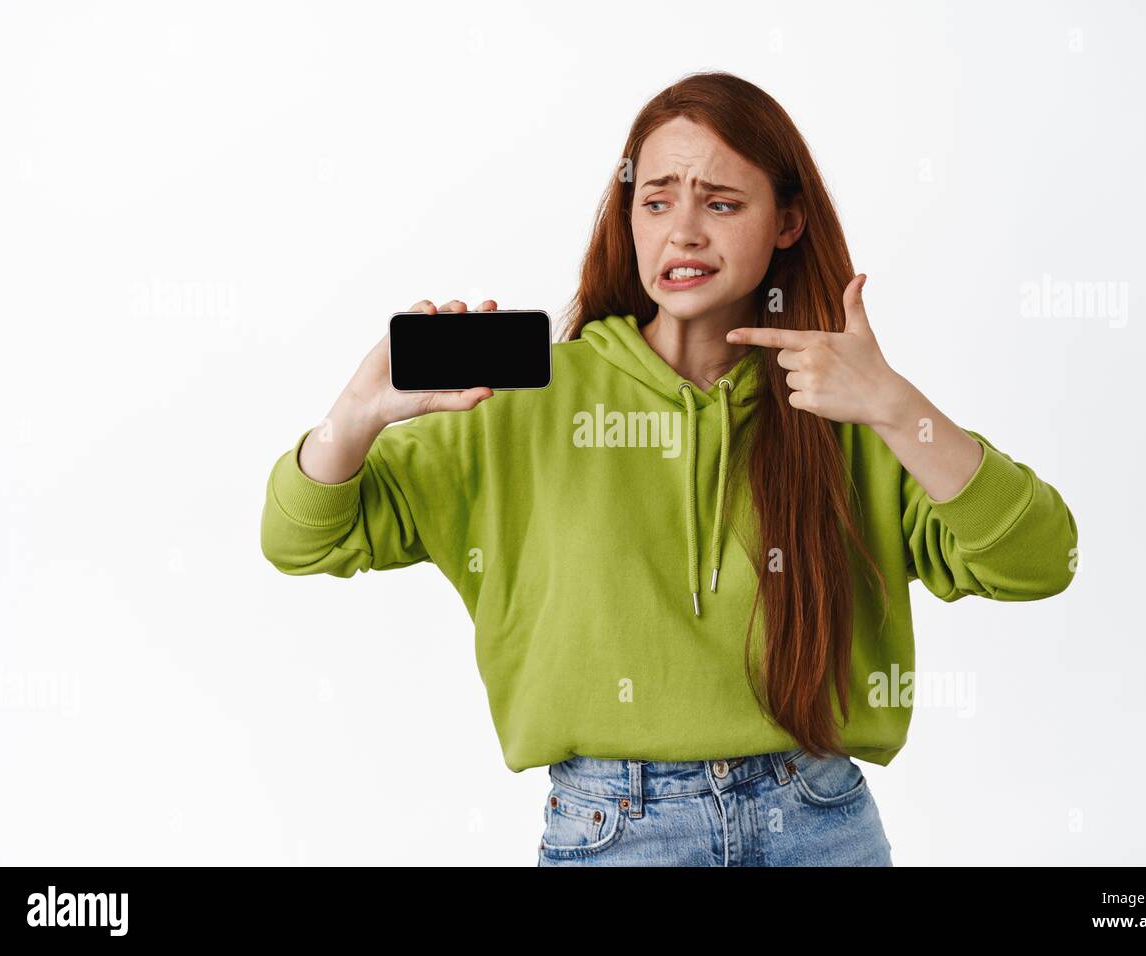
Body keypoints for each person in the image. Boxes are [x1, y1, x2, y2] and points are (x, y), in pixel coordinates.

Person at [260, 71, 1078, 867]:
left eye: (720, 203)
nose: (683, 232)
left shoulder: (845, 405)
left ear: (787, 223)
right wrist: (356, 416)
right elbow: (301, 541)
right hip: (615, 829)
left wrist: (899, 405)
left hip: (820, 820)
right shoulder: (516, 401)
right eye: (656, 202)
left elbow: (1038, 560)